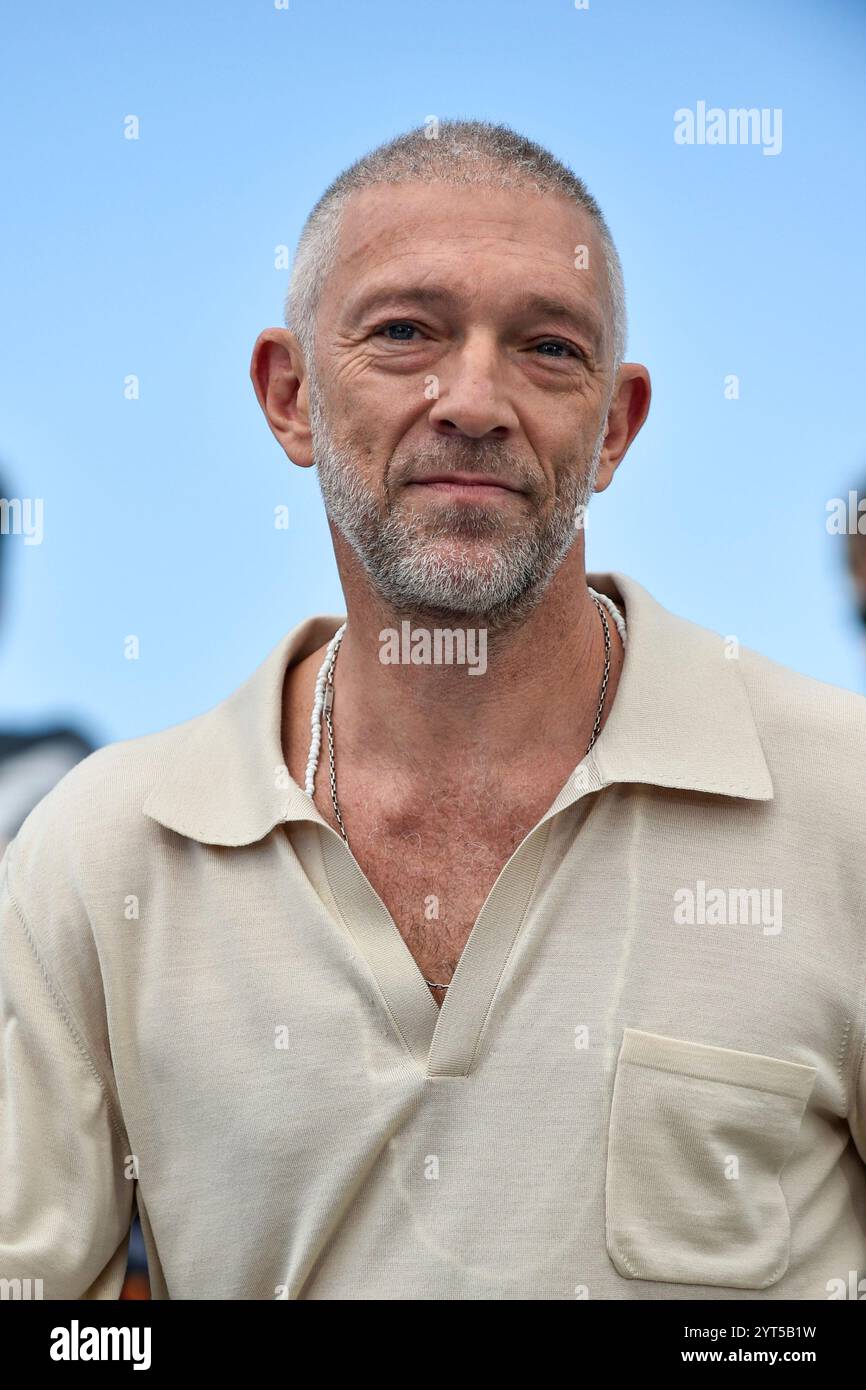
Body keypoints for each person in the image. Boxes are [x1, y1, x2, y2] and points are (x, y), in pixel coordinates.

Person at [1, 120, 865, 1301]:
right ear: (289, 394)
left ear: (613, 426)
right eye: (405, 331)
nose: (472, 399)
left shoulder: (842, 805)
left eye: (546, 348)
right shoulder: (101, 859)